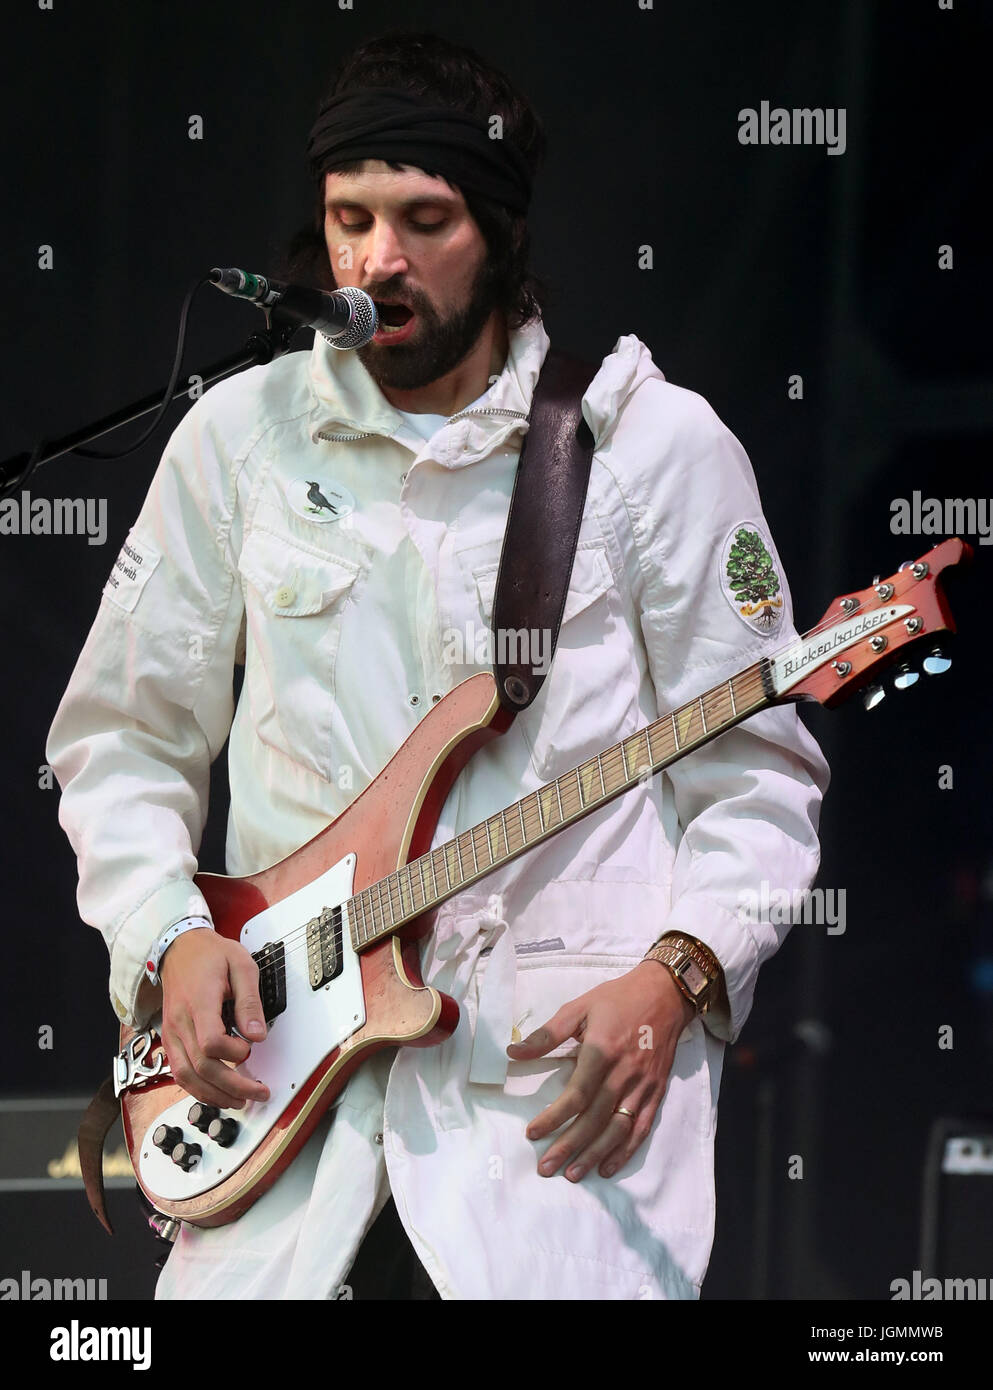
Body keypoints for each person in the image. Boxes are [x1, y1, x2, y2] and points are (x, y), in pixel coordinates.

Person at [46, 31, 830, 1300]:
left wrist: (679, 976)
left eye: (426, 218)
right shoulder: (236, 439)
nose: (379, 259)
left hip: (541, 1170)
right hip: (286, 1167)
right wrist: (169, 938)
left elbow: (761, 777)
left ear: (504, 233)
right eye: (350, 218)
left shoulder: (654, 450)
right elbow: (120, 737)